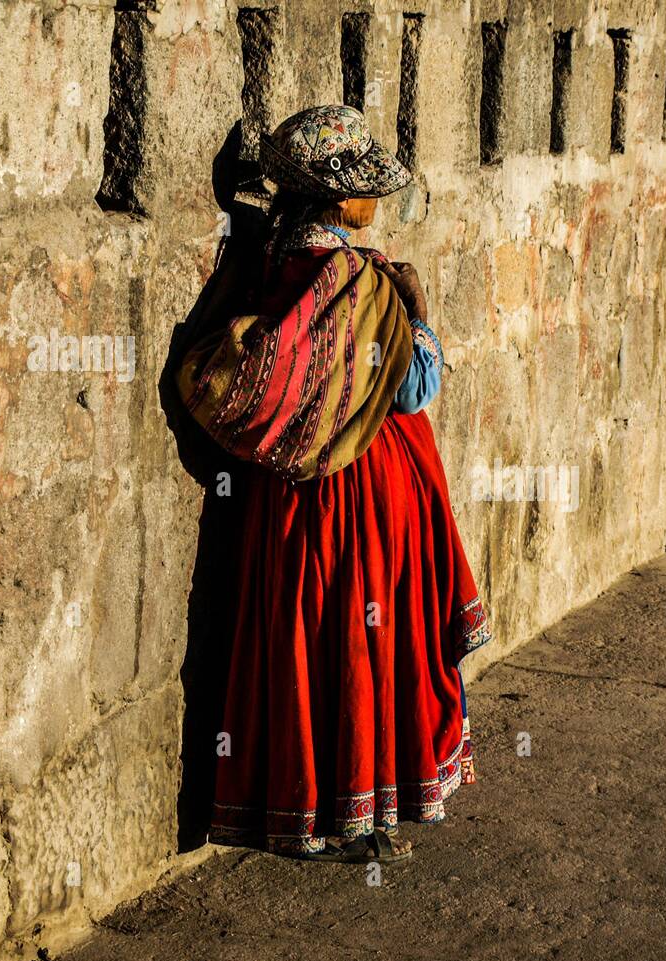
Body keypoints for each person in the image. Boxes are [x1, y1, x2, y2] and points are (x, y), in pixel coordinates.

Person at [176, 105, 490, 863]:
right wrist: (417, 311)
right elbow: (414, 387)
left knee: (301, 642)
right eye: (365, 190)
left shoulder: (264, 264)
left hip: (284, 499)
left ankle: (306, 805)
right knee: (360, 648)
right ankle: (362, 808)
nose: (375, 202)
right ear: (338, 199)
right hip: (360, 498)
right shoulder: (358, 283)